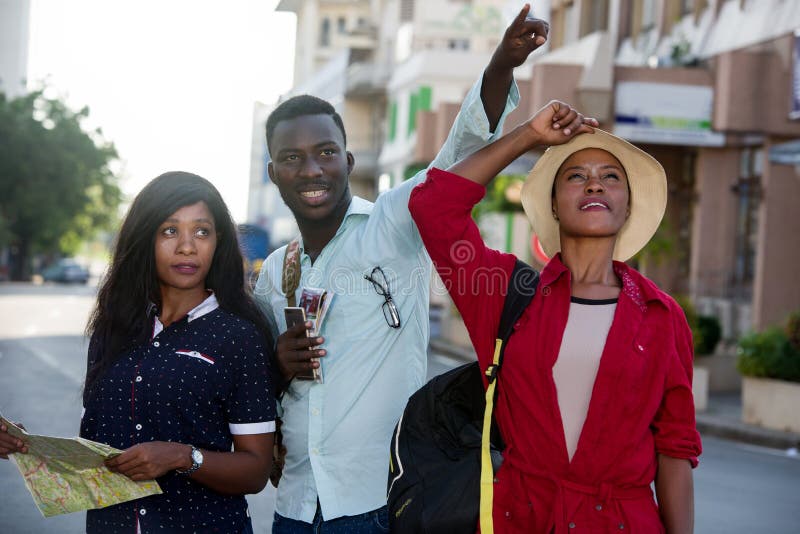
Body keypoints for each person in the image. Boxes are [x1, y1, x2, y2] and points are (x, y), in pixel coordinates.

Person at [253, 5, 550, 532]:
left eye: (325, 152)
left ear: (347, 161)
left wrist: (502, 66)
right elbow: (253, 386)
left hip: (383, 499)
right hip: (296, 504)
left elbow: (455, 157)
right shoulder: (276, 272)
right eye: (292, 158)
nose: (312, 169)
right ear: (274, 172)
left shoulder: (392, 223)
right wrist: (277, 364)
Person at [408, 105, 702, 532]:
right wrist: (528, 135)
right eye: (576, 175)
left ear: (626, 206)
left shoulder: (662, 316)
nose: (594, 182)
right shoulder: (504, 293)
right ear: (555, 205)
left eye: (611, 176)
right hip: (521, 519)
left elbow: (675, 451)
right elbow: (433, 205)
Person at [2, 172, 277, 533]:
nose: (187, 246)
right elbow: (98, 452)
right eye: (169, 230)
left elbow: (256, 470)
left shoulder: (239, 336)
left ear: (218, 241)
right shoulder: (113, 328)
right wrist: (29, 447)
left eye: (201, 231)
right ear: (145, 237)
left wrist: (183, 457)